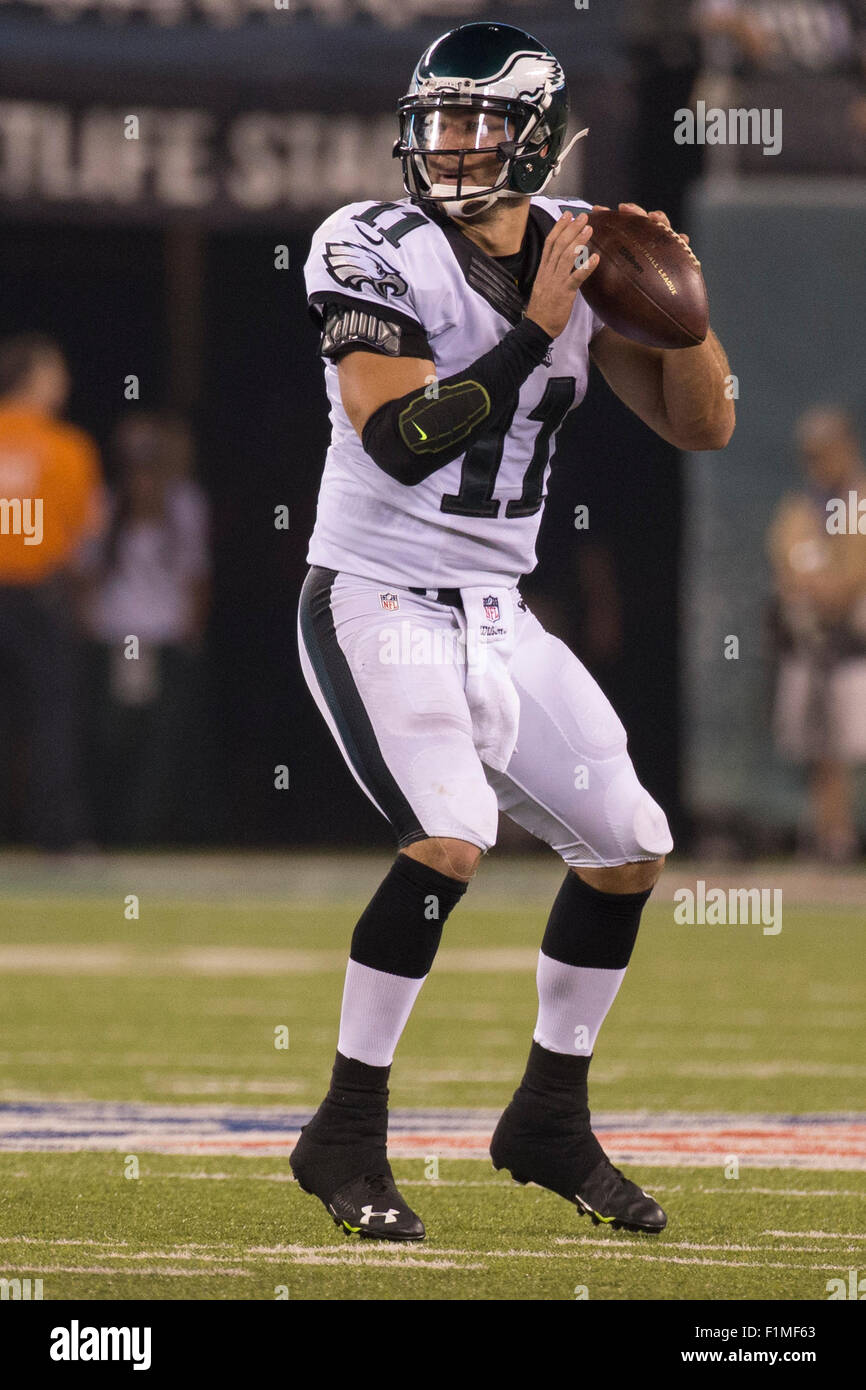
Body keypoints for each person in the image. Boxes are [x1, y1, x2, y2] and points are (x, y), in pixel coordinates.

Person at [293, 21, 734, 1242]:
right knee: (450, 831)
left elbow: (701, 429)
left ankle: (546, 1114)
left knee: (628, 840)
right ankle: (343, 1127)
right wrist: (537, 329)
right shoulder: (366, 241)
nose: (452, 144)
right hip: (375, 592)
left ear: (536, 136)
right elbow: (397, 437)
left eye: (481, 122)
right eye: (438, 119)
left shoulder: (581, 246)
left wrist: (686, 315)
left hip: (498, 609)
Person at [79, 412, 211, 845]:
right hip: (115, 640)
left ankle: (146, 837)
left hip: (165, 642)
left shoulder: (184, 505)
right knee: (111, 738)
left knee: (161, 745)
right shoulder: (104, 503)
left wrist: (192, 635)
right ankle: (104, 833)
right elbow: (85, 576)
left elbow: (196, 578)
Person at [0, 332, 104, 850]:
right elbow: (83, 544)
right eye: (56, 372)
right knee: (51, 720)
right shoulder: (67, 449)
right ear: (35, 379)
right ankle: (56, 840)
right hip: (39, 598)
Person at [767, 406, 866, 862]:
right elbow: (787, 565)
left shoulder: (859, 503)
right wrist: (815, 585)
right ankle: (831, 840)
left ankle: (837, 838)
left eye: (826, 452)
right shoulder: (799, 506)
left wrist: (831, 587)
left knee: (851, 748)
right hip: (812, 648)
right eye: (812, 454)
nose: (819, 462)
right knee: (821, 753)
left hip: (856, 649)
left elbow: (852, 576)